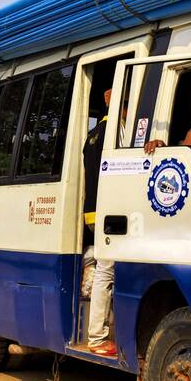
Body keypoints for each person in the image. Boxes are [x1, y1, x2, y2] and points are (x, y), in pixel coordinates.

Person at [81, 88, 117, 357]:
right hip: (109, 211)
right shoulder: (112, 134)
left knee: (105, 269)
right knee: (107, 270)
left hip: (93, 212)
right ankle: (97, 337)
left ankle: (101, 332)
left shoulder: (92, 136)